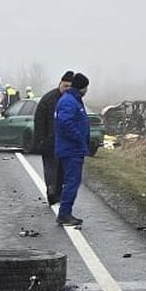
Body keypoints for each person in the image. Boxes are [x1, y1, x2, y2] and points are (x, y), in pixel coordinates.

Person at [54, 72, 91, 226]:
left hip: (73, 148)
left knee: (72, 181)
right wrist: (79, 138)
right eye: (86, 87)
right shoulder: (70, 101)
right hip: (71, 149)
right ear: (82, 87)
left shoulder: (73, 99)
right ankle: (64, 214)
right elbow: (65, 123)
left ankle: (65, 212)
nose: (87, 90)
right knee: (72, 181)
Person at [34, 71, 74, 205]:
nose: (67, 89)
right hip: (49, 141)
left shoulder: (72, 100)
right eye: (65, 86)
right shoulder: (48, 99)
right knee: (51, 168)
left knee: (62, 170)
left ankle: (58, 193)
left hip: (65, 142)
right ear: (60, 84)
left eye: (70, 87)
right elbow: (39, 120)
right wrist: (40, 140)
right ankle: (51, 191)